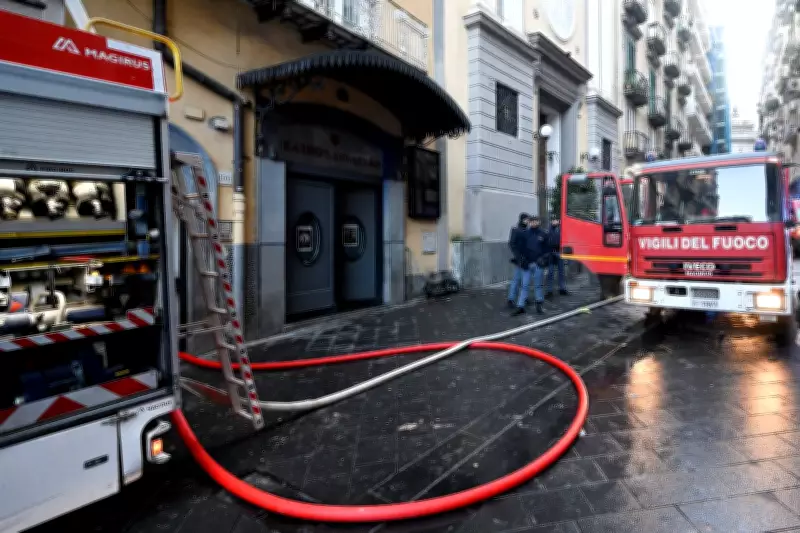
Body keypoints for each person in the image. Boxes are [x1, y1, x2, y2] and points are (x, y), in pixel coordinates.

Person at [511, 215, 547, 316]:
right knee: (524, 285)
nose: (533, 223)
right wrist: (522, 260)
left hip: (538, 264)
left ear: (539, 222)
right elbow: (519, 248)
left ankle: (539, 305)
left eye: (536, 221)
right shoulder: (524, 234)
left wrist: (543, 259)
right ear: (529, 223)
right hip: (526, 264)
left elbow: (547, 249)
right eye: (532, 221)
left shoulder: (543, 234)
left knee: (538, 285)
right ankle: (520, 306)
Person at [507, 213, 530, 309]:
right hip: (519, 259)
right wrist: (518, 257)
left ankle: (524, 297)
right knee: (516, 280)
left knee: (525, 281)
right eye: (526, 219)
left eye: (528, 220)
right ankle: (511, 299)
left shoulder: (528, 230)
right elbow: (512, 244)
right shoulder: (515, 230)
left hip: (528, 259)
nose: (527, 221)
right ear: (522, 219)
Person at [546, 217, 569, 298]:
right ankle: (549, 290)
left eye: (556, 220)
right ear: (551, 221)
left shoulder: (561, 229)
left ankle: (562, 288)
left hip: (560, 252)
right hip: (551, 253)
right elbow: (546, 242)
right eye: (553, 220)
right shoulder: (548, 230)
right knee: (551, 272)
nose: (555, 221)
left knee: (561, 271)